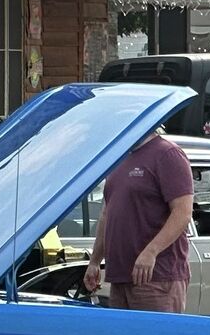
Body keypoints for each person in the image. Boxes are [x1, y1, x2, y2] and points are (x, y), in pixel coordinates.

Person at [80, 128, 195, 312]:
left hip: (155, 278)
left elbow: (182, 213)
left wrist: (151, 252)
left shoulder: (168, 154)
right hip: (120, 277)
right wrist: (95, 261)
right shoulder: (119, 158)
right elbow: (106, 213)